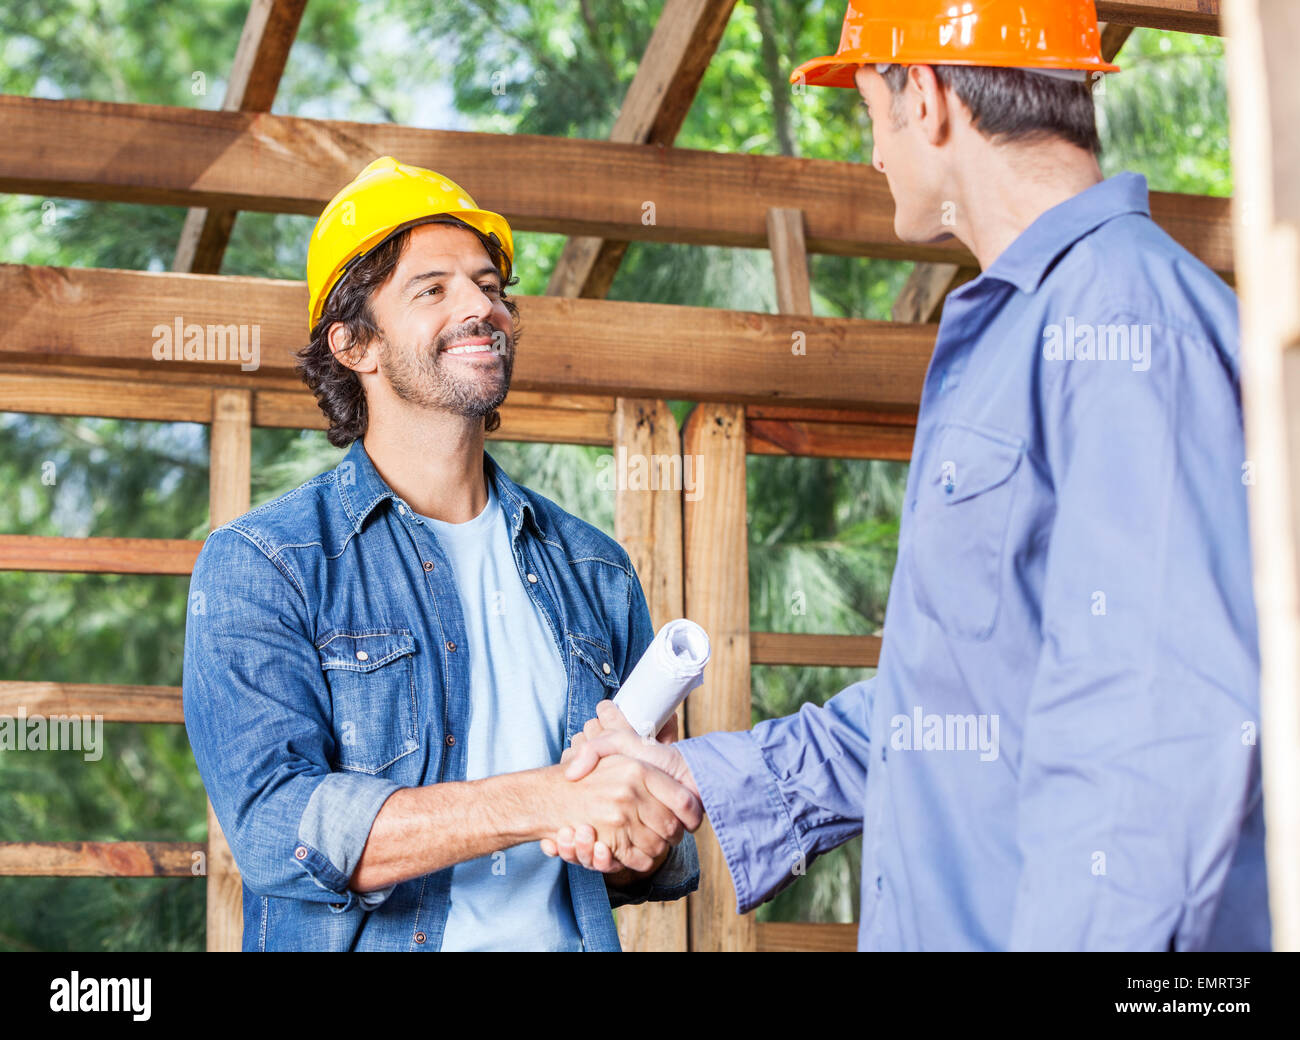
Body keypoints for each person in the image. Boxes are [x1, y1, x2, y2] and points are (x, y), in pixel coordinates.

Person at [550, 0, 1270, 951]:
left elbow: (1154, 723)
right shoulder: (1021, 328)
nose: (876, 153)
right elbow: (953, 705)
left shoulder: (1128, 320)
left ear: (924, 97)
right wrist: (692, 776)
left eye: (869, 107)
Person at [182, 156, 700, 952]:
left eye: (490, 287)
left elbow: (645, 861)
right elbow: (276, 824)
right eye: (434, 290)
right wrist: (545, 799)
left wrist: (641, 835)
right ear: (354, 344)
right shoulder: (264, 562)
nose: (481, 309)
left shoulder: (596, 571)